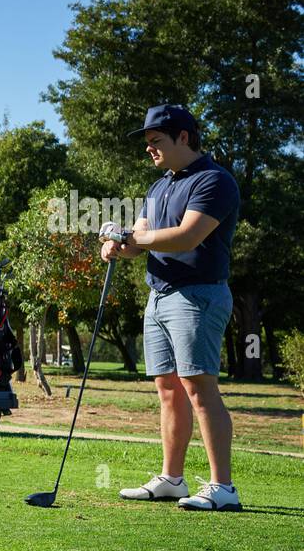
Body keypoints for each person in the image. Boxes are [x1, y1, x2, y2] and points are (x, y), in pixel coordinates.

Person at [101, 104, 241, 512]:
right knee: (168, 390)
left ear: (183, 136)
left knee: (198, 387)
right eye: (147, 143)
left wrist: (130, 237)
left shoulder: (215, 181)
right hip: (159, 295)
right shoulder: (158, 187)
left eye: (156, 140)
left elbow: (186, 237)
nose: (149, 149)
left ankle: (223, 487)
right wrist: (118, 244)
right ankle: (172, 479)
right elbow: (143, 236)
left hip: (198, 294)